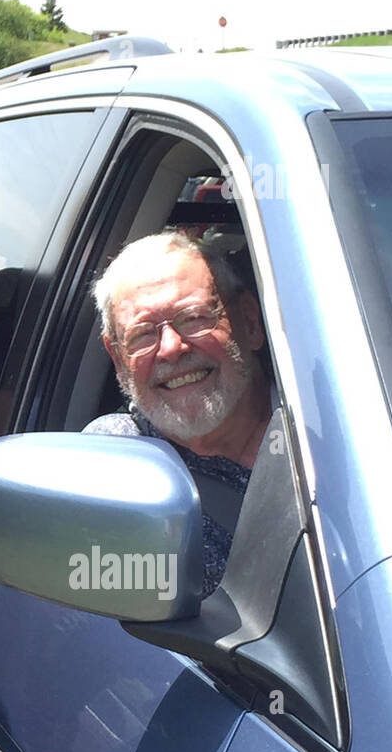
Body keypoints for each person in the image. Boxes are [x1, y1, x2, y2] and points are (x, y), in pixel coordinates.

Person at [85, 231, 274, 594]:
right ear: (119, 361)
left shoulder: (337, 422)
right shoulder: (116, 462)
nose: (171, 348)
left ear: (249, 321)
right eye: (142, 335)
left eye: (193, 318)